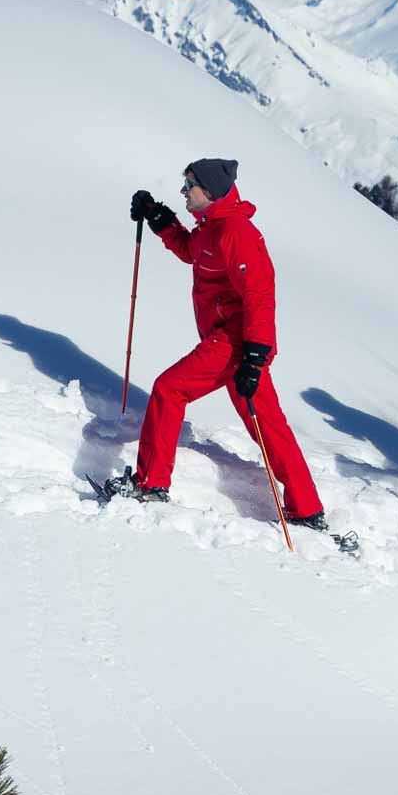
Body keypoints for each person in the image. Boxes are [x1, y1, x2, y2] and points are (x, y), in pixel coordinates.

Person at [103, 158, 328, 531]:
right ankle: (307, 509)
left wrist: (255, 358)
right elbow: (194, 252)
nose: (183, 192)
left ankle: (150, 484)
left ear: (209, 191)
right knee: (268, 425)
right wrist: (160, 218)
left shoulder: (236, 233)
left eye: (189, 185)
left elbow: (259, 296)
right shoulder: (210, 228)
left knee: (169, 389)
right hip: (225, 338)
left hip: (236, 342)